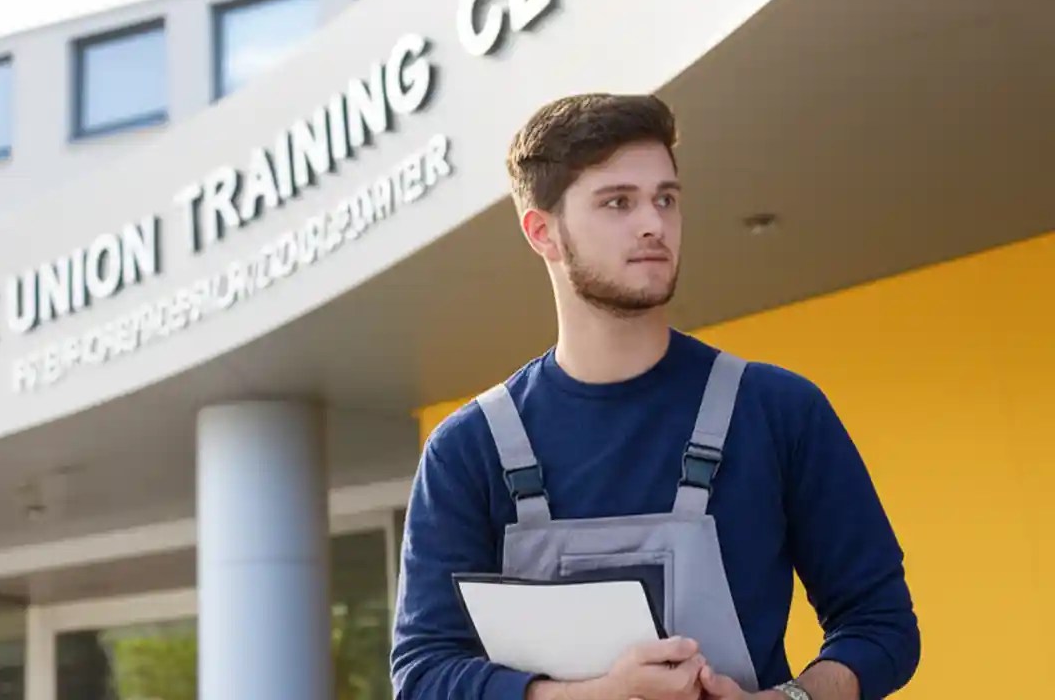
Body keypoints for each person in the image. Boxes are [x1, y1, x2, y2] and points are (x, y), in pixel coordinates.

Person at [389, 94, 920, 700]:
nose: (653, 224)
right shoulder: (468, 449)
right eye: (618, 202)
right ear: (543, 233)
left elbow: (882, 626)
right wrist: (597, 695)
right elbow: (423, 674)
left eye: (665, 199)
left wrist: (788, 699)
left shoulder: (779, 412)